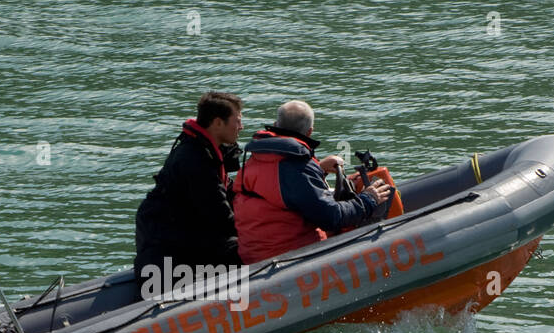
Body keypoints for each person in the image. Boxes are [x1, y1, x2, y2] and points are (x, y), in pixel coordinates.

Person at [232, 99, 391, 263]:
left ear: (274, 124)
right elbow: (332, 218)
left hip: (253, 254)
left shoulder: (256, 158)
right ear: (309, 132)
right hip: (288, 256)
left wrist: (319, 169)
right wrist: (367, 199)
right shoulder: (296, 166)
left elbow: (281, 188)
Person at [134, 92, 244, 281]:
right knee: (243, 250)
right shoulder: (195, 160)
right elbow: (220, 215)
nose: (241, 127)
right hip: (170, 251)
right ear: (218, 123)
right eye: (237, 121)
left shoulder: (201, 150)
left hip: (175, 238)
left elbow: (227, 194)